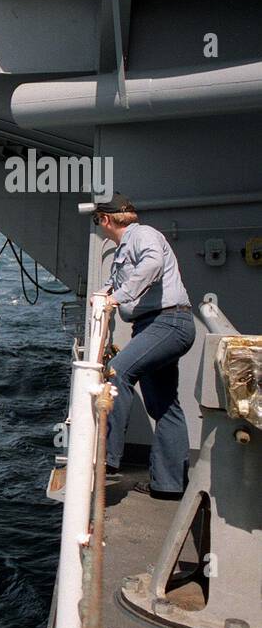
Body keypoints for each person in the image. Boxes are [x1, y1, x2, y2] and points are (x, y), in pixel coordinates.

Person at [96, 197, 195, 499]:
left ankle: (107, 458)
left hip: (168, 322)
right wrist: (104, 295)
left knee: (118, 373)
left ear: (104, 220)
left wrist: (118, 297)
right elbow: (112, 286)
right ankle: (168, 485)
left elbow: (153, 263)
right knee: (163, 405)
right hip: (155, 325)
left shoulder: (142, 234)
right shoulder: (123, 251)